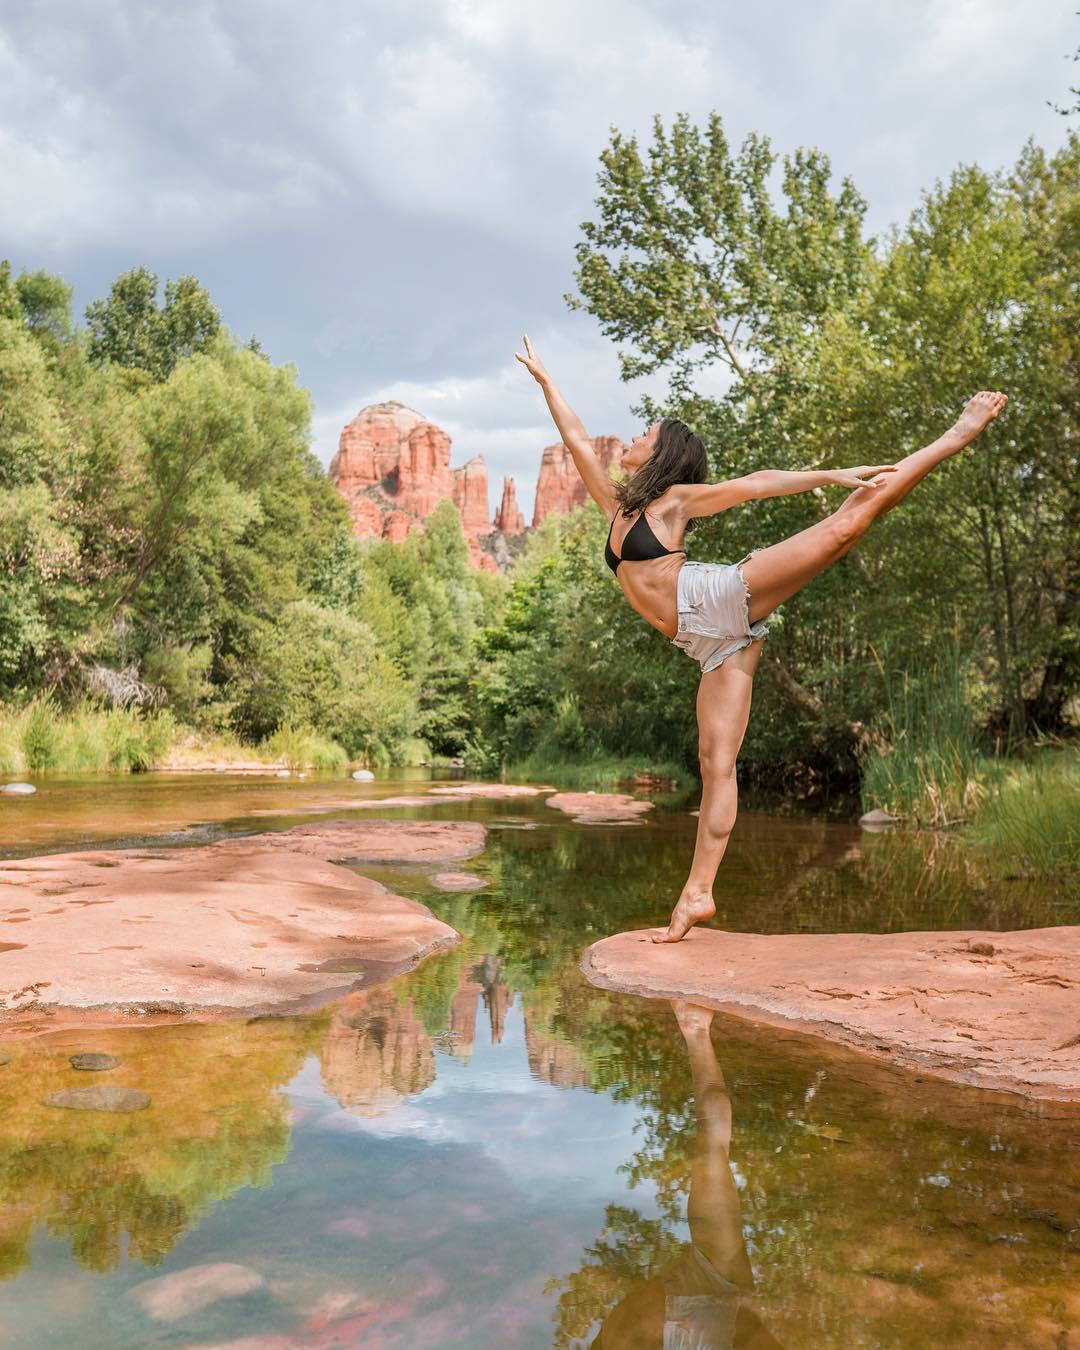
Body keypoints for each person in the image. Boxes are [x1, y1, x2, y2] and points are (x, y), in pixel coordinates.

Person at [516, 333, 1007, 942]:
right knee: (716, 765)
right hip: (707, 643)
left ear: (662, 452)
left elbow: (754, 483)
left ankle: (954, 435)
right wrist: (546, 381)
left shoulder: (673, 502)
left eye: (647, 431)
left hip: (716, 598)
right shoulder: (614, 505)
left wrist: (828, 474)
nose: (633, 436)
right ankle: (698, 895)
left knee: (845, 524)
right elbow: (575, 437)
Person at [590, 1000, 783, 1349]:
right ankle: (695, 1028)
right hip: (683, 1321)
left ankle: (695, 1028)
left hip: (695, 1319)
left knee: (713, 1150)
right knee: (712, 1150)